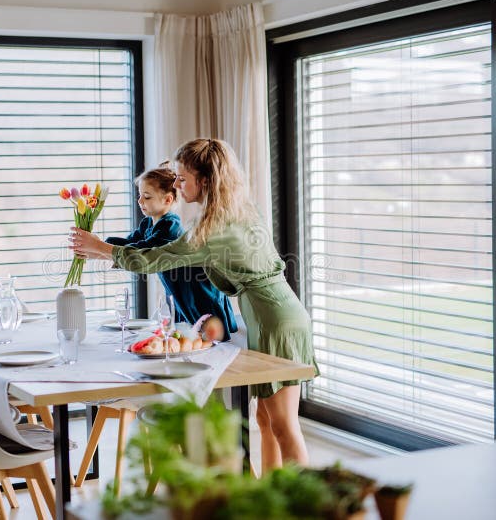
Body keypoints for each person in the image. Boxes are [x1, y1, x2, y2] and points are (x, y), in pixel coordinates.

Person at [70, 138, 316, 469]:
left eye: (183, 178)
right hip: (272, 313)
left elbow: (157, 258)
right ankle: (271, 494)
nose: (178, 184)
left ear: (204, 180)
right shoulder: (238, 209)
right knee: (265, 420)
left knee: (284, 425)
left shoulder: (212, 229)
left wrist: (103, 248)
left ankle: (303, 503)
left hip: (275, 319)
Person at [105, 162, 237, 340]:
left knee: (207, 338)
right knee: (185, 335)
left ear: (168, 200)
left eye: (147, 197)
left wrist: (103, 247)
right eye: (140, 195)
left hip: (196, 291)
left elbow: (142, 250)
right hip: (178, 291)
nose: (140, 201)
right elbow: (130, 242)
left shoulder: (170, 226)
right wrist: (101, 243)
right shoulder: (147, 222)